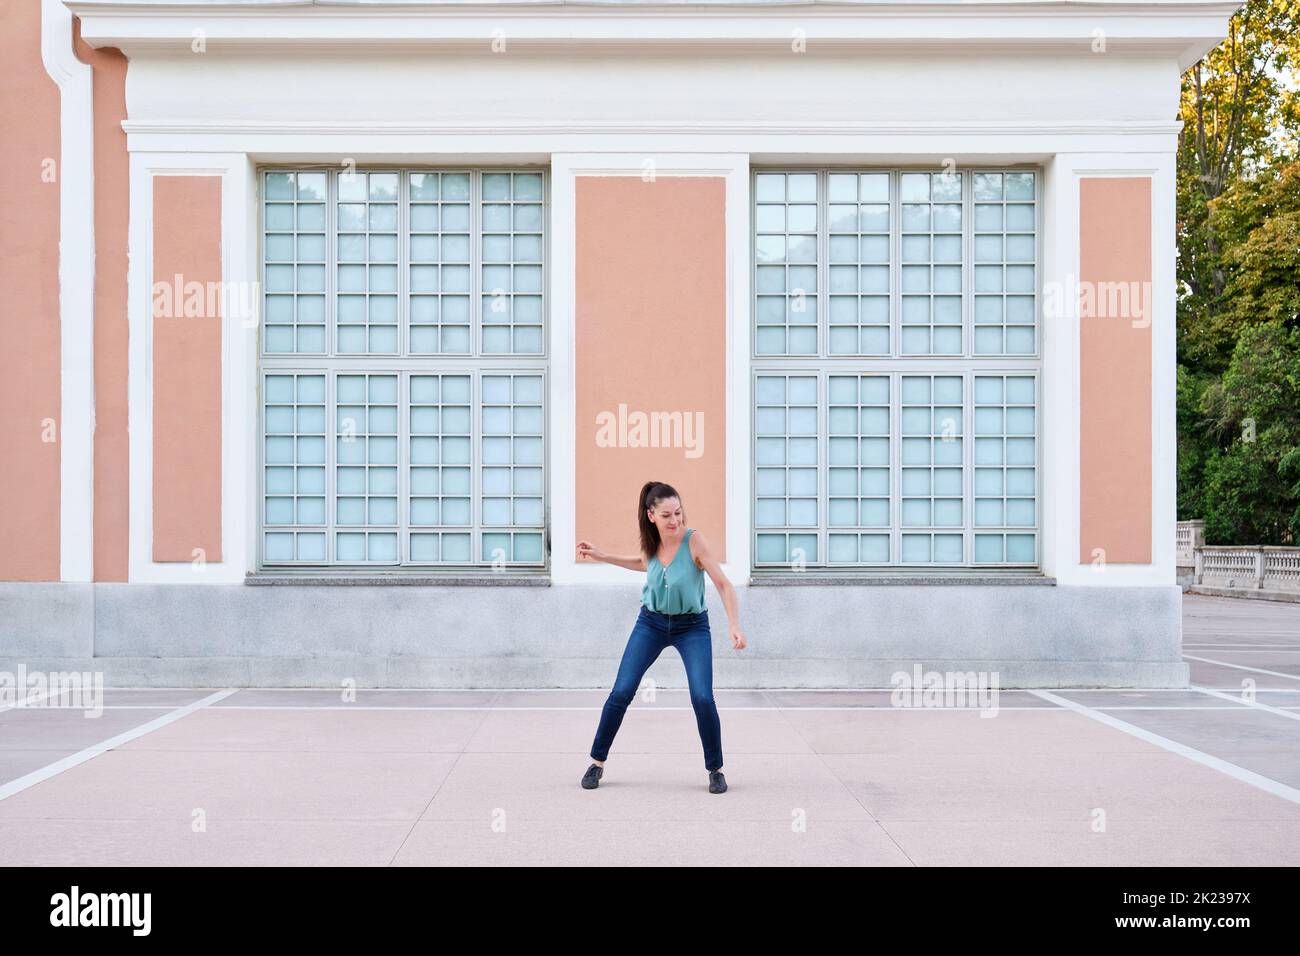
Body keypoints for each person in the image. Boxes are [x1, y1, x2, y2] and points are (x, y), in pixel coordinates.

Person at [575, 480, 747, 794]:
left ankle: (716, 769)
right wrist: (602, 556)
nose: (675, 521)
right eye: (667, 515)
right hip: (650, 624)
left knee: (702, 697)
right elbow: (644, 563)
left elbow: (723, 584)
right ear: (651, 515)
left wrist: (734, 624)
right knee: (621, 692)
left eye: (678, 513)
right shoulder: (651, 541)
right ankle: (597, 762)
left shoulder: (694, 541)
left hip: (692, 627)